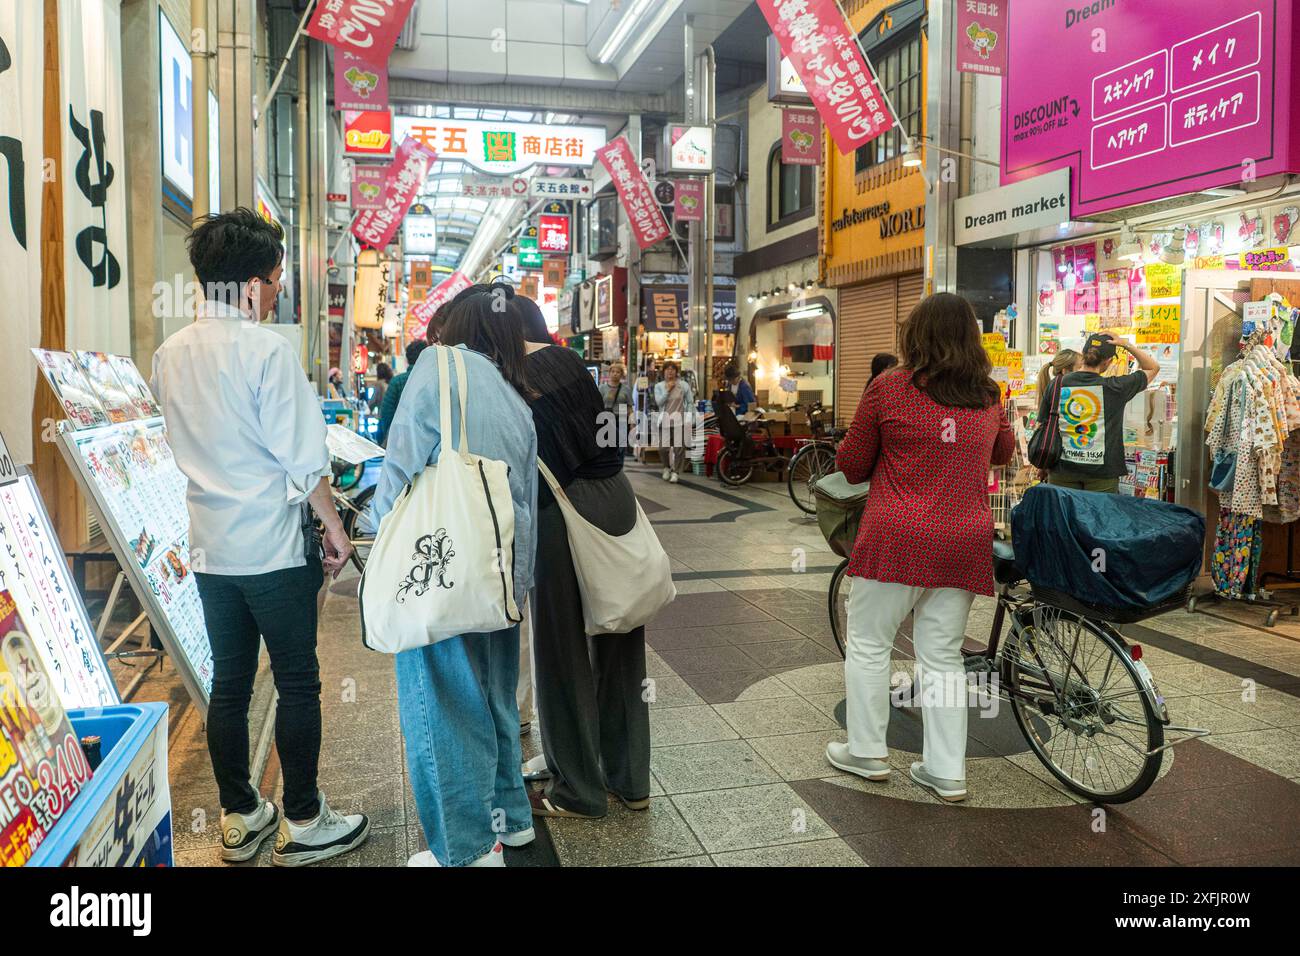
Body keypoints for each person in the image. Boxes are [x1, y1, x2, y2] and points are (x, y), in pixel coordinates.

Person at [151, 208, 368, 865]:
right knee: (299, 682)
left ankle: (241, 814)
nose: (276, 291)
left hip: (212, 551)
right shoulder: (268, 351)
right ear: (250, 283)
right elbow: (305, 461)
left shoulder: (170, 353)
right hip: (274, 550)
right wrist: (335, 529)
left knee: (230, 685)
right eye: (275, 278)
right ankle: (304, 819)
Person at [371, 289, 539, 867]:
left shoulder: (436, 366)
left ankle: (467, 851)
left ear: (452, 325)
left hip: (442, 570)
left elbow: (400, 465)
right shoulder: (514, 393)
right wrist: (519, 583)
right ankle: (511, 820)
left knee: (440, 705)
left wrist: (382, 528)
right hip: (498, 574)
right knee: (495, 698)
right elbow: (528, 500)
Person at [825, 293, 1014, 804]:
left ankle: (866, 751)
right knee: (943, 657)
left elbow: (852, 464)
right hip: (963, 538)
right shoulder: (988, 394)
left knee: (869, 643)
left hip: (897, 536)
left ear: (914, 335)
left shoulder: (890, 388)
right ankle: (946, 771)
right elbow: (1002, 454)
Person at [515, 291, 652, 820]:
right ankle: (629, 780)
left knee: (561, 652)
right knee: (620, 640)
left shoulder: (517, 374)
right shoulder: (570, 361)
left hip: (563, 510)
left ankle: (577, 789)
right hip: (615, 498)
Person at [1048, 332, 1158, 493]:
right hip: (1102, 473)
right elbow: (1153, 367)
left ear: (1083, 355)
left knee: (1063, 517)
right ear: (1108, 361)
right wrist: (1125, 344)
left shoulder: (1057, 384)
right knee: (1099, 517)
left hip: (1062, 469)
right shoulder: (1116, 387)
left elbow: (1044, 422)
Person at [376, 339, 428, 446]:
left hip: (399, 443)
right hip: (427, 445)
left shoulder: (397, 382)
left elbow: (386, 415)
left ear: (407, 359)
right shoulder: (432, 381)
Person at [653, 361, 694, 483]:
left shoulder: (683, 385)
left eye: (672, 369)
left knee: (678, 449)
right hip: (664, 421)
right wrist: (668, 390)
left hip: (679, 421)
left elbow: (690, 402)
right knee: (663, 448)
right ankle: (666, 467)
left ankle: (676, 472)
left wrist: (689, 418)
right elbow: (659, 402)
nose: (670, 371)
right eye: (667, 369)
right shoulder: (659, 386)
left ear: (676, 372)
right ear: (663, 372)